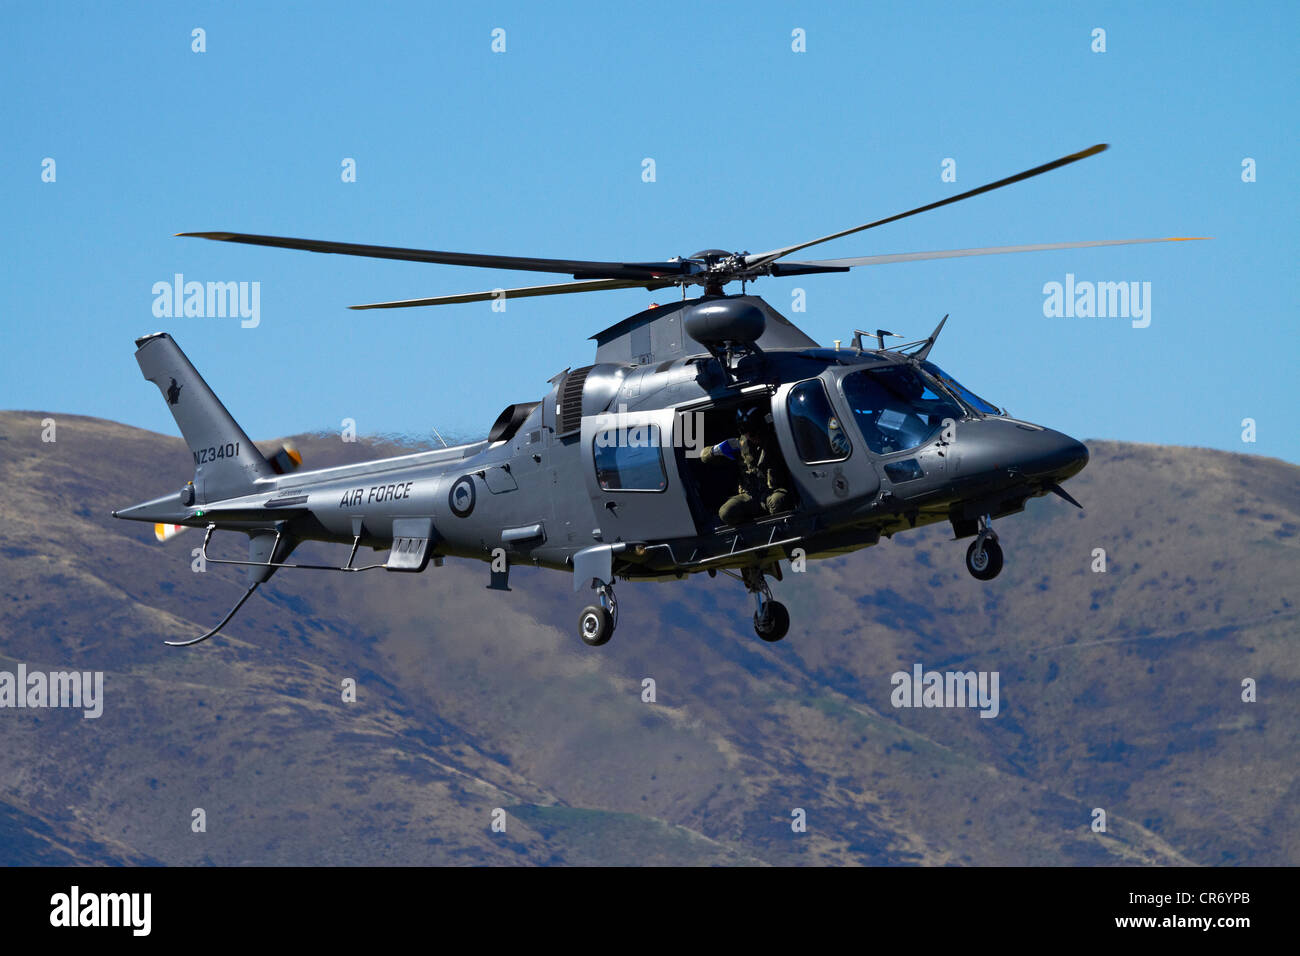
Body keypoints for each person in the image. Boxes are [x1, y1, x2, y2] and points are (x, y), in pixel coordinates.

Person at [699, 406, 791, 526]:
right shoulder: (739, 445)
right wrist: (716, 450)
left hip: (773, 492)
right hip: (751, 495)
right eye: (744, 432)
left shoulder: (775, 439)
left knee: (777, 502)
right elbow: (704, 456)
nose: (749, 436)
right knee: (726, 512)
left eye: (752, 432)